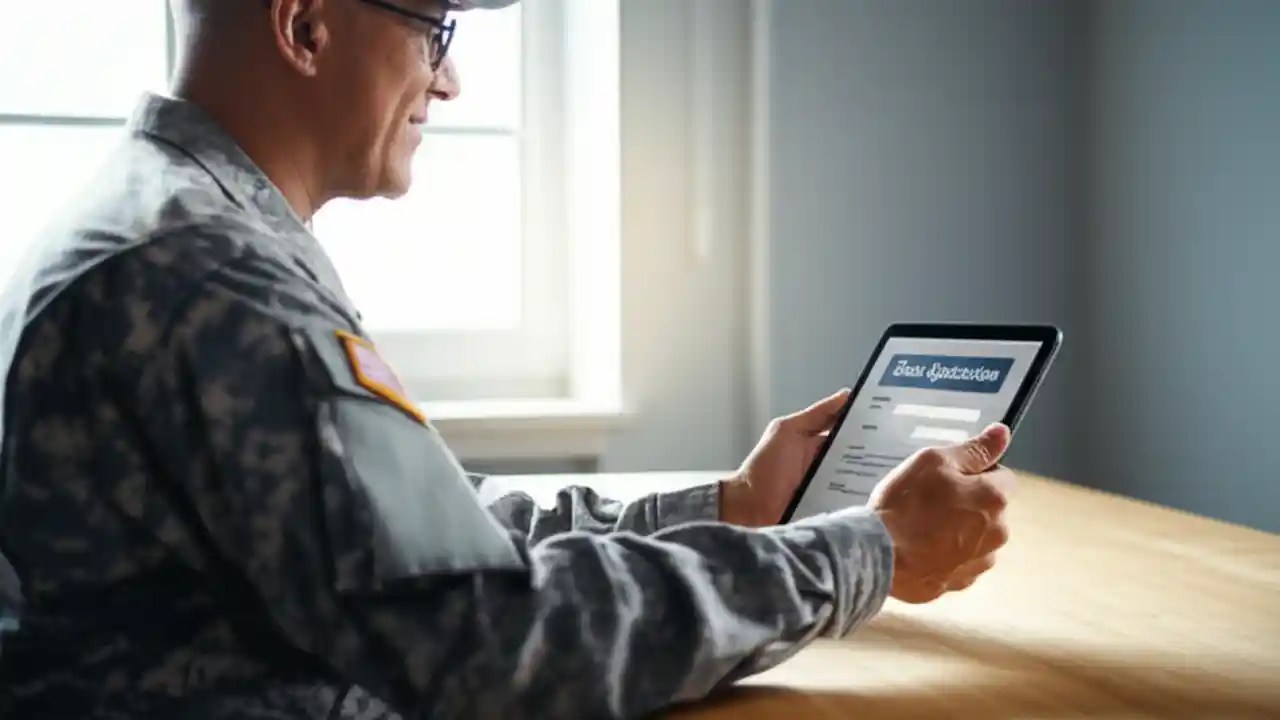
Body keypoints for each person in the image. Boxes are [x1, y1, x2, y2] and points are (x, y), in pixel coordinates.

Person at [0, 0, 1015, 717]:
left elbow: (421, 535)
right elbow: (490, 641)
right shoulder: (210, 278)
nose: (448, 77)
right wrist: (864, 553)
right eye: (433, 27)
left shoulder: (168, 221)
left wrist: (730, 505)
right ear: (305, 26)